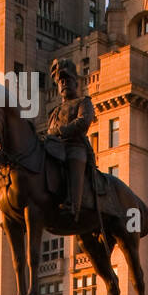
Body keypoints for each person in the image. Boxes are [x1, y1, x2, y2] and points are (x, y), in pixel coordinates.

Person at [46, 57, 96, 217]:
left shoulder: (83, 102)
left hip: (76, 145)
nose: (64, 83)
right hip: (55, 148)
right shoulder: (54, 111)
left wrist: (61, 131)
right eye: (61, 81)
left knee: (75, 158)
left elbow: (83, 122)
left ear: (76, 82)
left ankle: (73, 205)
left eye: (68, 79)